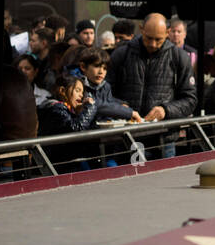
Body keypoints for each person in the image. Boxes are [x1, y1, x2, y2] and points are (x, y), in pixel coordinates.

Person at [107, 14, 197, 160]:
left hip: (163, 139)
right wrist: (119, 106)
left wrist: (165, 110)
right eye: (149, 38)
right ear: (141, 29)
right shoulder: (122, 54)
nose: (153, 44)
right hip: (127, 138)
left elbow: (190, 100)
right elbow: (106, 93)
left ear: (167, 33)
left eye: (158, 40)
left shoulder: (179, 57)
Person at [77, 48, 141, 123]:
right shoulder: (78, 85)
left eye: (105, 68)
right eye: (97, 66)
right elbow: (97, 105)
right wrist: (128, 112)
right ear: (83, 67)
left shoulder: (105, 86)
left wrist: (121, 104)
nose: (101, 72)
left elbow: (108, 101)